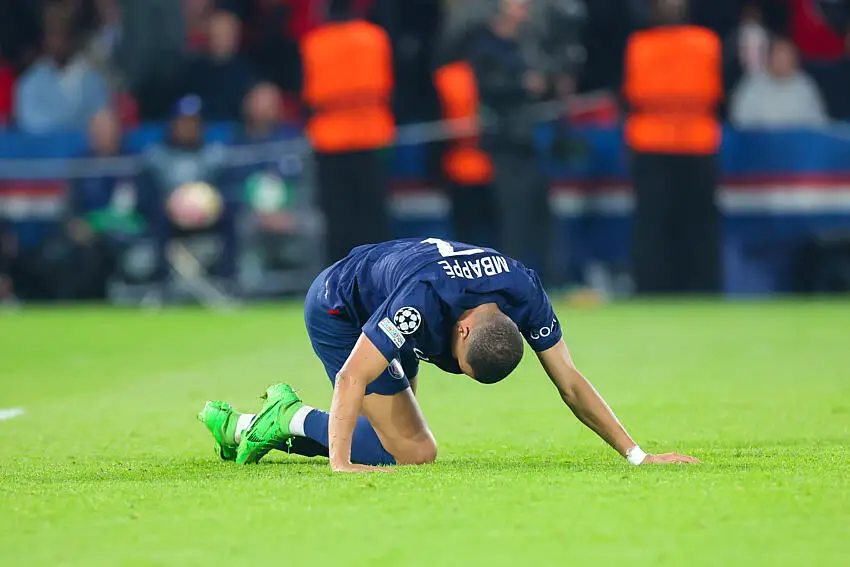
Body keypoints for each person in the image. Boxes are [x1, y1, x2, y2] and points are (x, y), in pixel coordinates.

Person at [198, 237, 700, 472]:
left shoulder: (523, 290)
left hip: (391, 295)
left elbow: (569, 381)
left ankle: (246, 427)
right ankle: (287, 416)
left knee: (395, 443)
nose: (454, 372)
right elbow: (351, 377)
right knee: (412, 453)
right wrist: (340, 467)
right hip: (340, 307)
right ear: (463, 330)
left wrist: (639, 456)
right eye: (458, 365)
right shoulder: (422, 303)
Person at [624, 0, 723, 294]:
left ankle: (661, 289)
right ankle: (697, 289)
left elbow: (631, 93)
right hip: (686, 142)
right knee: (687, 226)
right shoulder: (706, 42)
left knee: (658, 226)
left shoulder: (640, 44)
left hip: (665, 142)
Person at [14, 4, 109, 134]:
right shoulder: (30, 82)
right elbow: (30, 122)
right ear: (45, 39)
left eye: (62, 34)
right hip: (42, 152)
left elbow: (102, 122)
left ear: (72, 38)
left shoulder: (92, 80)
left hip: (84, 153)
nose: (58, 42)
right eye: (52, 35)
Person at [730, 37, 828, 128]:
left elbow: (819, 124)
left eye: (787, 57)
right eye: (778, 56)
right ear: (769, 58)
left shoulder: (805, 86)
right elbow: (740, 122)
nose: (782, 62)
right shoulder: (752, 84)